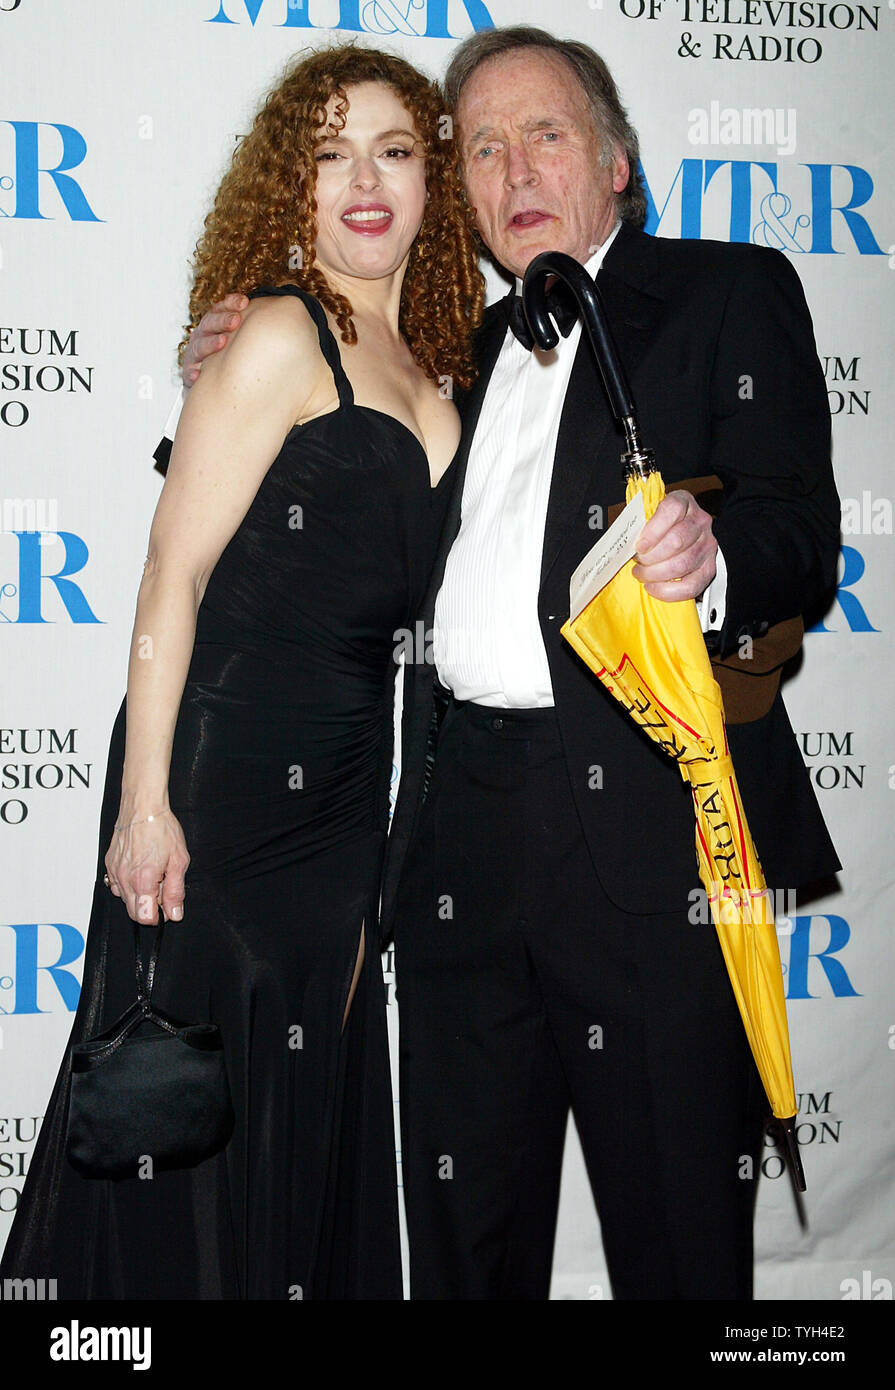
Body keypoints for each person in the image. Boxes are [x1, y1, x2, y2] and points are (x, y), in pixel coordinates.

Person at [172, 27, 840, 1300]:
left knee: (680, 1246)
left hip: (648, 841)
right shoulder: (451, 355)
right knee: (466, 1245)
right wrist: (225, 360)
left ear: (618, 162)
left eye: (543, 133)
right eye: (479, 145)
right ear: (459, 193)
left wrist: (716, 560)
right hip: (454, 849)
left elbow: (802, 533)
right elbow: (320, 490)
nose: (511, 165)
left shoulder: (725, 291)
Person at [0, 42, 482, 1300]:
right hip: (217, 775)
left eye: (392, 149)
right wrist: (145, 800)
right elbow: (172, 575)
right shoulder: (279, 331)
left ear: (432, 180)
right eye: (330, 155)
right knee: (183, 1096)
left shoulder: (442, 365)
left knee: (301, 1086)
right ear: (293, 184)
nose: (364, 181)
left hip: (344, 796)